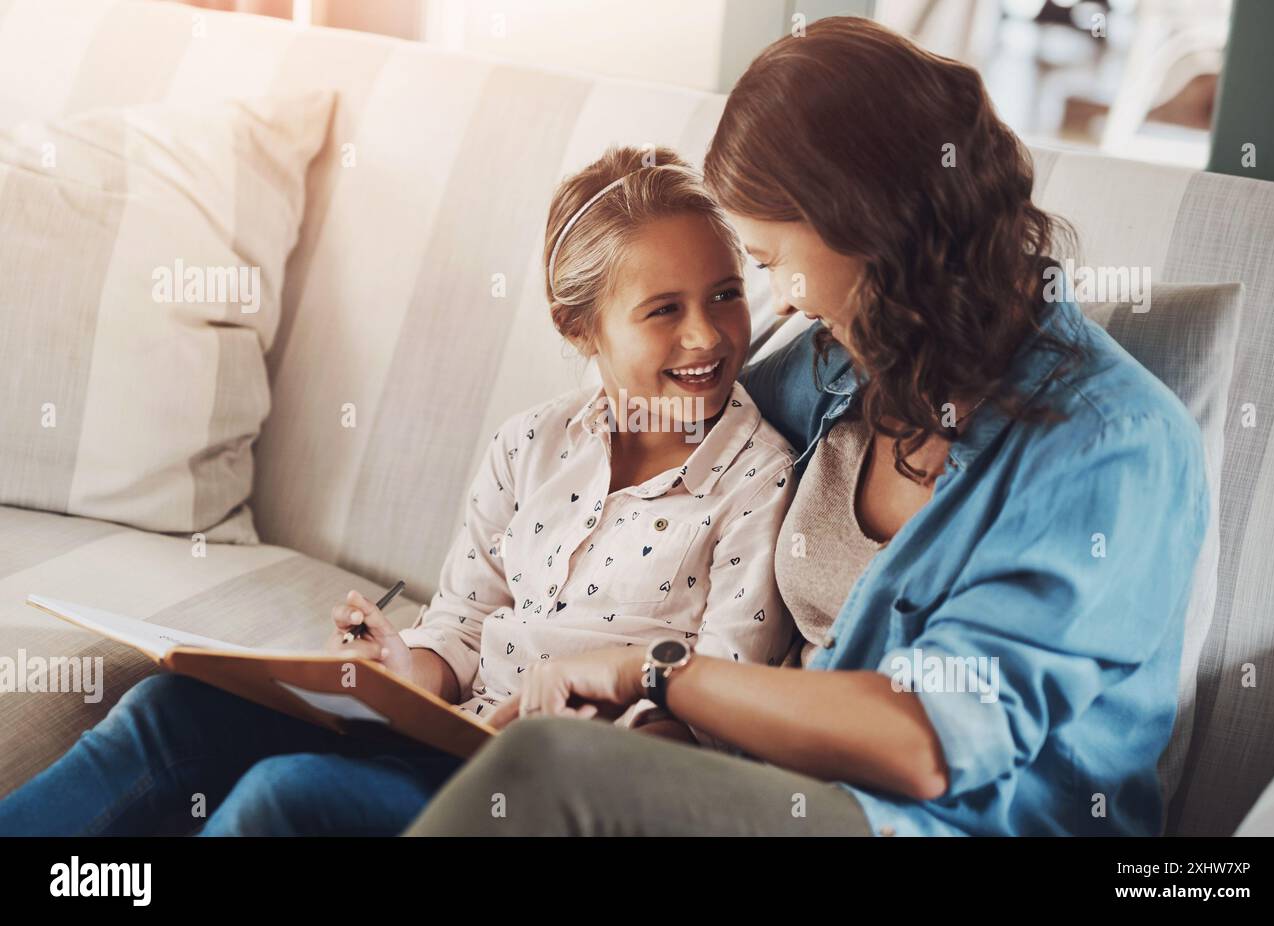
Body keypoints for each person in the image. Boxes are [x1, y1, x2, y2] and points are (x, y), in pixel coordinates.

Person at [401, 17, 1210, 837]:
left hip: (933, 823)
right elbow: (675, 415)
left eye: (767, 262)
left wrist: (647, 673)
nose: (779, 301)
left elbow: (930, 737)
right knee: (294, 792)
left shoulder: (1110, 444)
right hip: (773, 795)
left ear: (869, 221)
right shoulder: (847, 362)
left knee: (548, 770)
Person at [0, 145, 796, 836]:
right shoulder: (531, 443)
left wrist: (596, 725)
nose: (708, 334)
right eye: (665, 310)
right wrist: (397, 666)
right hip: (449, 735)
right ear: (579, 327)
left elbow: (723, 711)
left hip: (555, 787)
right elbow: (461, 626)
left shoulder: (757, 480)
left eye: (726, 294)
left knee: (287, 796)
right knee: (162, 710)